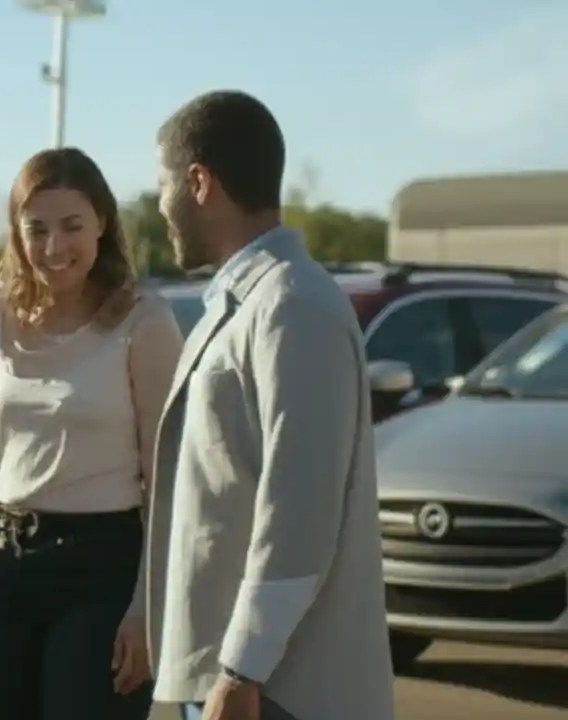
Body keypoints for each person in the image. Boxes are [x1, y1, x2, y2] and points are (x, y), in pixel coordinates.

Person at [145, 89, 396, 720]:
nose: (159, 206)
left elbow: (300, 507)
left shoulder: (293, 305)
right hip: (233, 676)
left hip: (278, 689)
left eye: (163, 185)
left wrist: (240, 669)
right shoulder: (244, 302)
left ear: (199, 182)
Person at [0, 147, 185, 719]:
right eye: (35, 229)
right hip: (0, 572)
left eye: (71, 226)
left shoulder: (143, 322)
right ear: (16, 235)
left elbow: (169, 479)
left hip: (101, 575)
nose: (54, 247)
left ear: (102, 224)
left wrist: (148, 608)